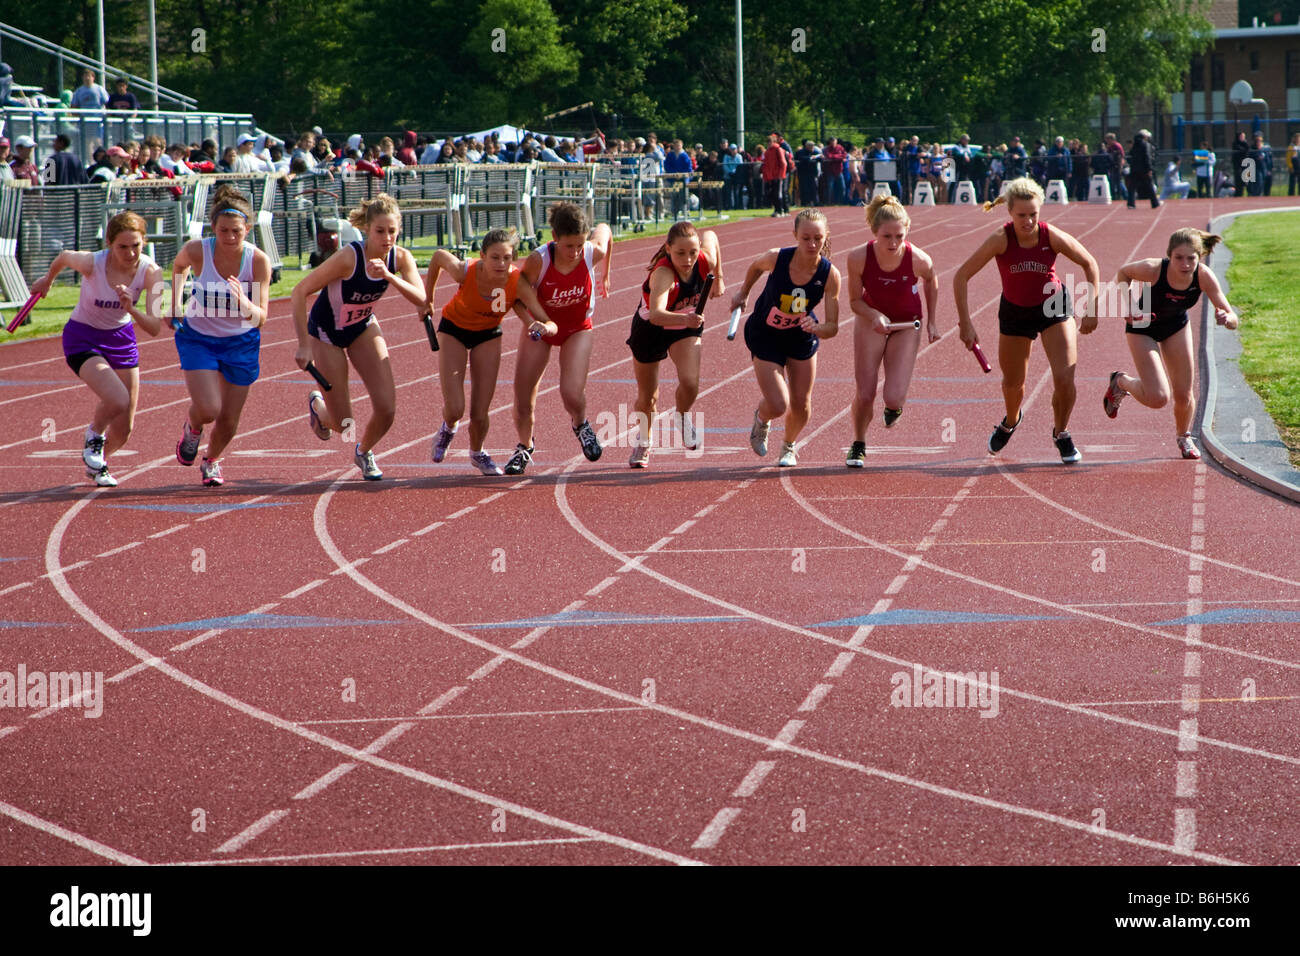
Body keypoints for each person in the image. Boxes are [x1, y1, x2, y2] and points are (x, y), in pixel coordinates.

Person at [954, 178, 1099, 464]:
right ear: (1010, 212)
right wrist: (965, 323)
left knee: (1065, 377)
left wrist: (1091, 307)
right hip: (1015, 311)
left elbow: (1089, 263)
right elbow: (961, 276)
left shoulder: (1050, 235)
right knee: (1013, 384)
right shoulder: (1001, 238)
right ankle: (1011, 420)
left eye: (1033, 214)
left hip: (1053, 305)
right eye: (1022, 215)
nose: (1029, 221)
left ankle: (1062, 433)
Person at [291, 194, 427, 480]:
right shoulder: (349, 257)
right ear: (367, 229)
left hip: (362, 327)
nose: (387, 237)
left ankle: (364, 451)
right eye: (380, 231)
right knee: (343, 423)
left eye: (392, 231)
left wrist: (390, 276)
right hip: (327, 333)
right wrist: (304, 345)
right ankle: (319, 407)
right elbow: (300, 291)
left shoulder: (400, 258)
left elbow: (421, 297)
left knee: (387, 408)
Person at [26, 212, 164, 486]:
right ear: (110, 244)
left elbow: (155, 327)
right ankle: (94, 437)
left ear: (144, 242)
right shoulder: (93, 263)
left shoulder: (152, 272)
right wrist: (48, 280)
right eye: (122, 246)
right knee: (117, 399)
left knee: (124, 429)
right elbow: (64, 255)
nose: (130, 252)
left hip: (122, 338)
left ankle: (97, 463)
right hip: (83, 337)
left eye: (136, 245)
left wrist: (131, 308)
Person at [424, 229, 557, 475]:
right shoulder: (466, 270)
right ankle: (448, 428)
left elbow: (550, 322)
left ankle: (477, 453)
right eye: (495, 257)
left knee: (479, 411)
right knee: (455, 408)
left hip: (488, 334)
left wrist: (543, 327)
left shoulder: (517, 282)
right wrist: (428, 299)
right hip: (454, 329)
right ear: (483, 255)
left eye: (507, 257)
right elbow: (438, 257)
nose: (501, 263)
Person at [1103, 229, 1240, 460]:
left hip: (1175, 326)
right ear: (1169, 255)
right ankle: (1121, 381)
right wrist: (1128, 305)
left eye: (1191, 258)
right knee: (1158, 398)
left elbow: (1233, 318)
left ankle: (1184, 437)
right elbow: (1124, 273)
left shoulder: (1203, 276)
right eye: (1179, 258)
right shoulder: (1154, 269)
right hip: (1142, 327)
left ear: (1199, 257)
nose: (1185, 264)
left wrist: (1227, 319)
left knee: (1184, 393)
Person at [169, 185, 273, 487]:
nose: (229, 238)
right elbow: (178, 266)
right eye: (223, 230)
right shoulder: (198, 250)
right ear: (213, 227)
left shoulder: (257, 261)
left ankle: (212, 460)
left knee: (228, 419)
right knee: (209, 409)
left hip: (240, 342)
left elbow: (261, 318)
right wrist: (172, 304)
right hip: (198, 338)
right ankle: (193, 427)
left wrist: (244, 302)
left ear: (248, 229)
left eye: (236, 232)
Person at [505, 202, 613, 475]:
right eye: (569, 246)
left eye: (579, 244)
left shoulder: (591, 252)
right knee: (523, 398)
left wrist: (606, 274)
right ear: (554, 238)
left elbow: (606, 230)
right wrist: (532, 323)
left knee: (572, 394)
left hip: (577, 328)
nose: (575, 252)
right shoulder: (538, 261)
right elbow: (516, 296)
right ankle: (524, 446)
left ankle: (580, 423)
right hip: (541, 330)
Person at [730, 208, 841, 467]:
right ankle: (762, 419)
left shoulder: (829, 275)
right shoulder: (777, 259)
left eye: (818, 238)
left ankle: (789, 446)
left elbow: (833, 327)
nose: (812, 244)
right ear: (795, 235)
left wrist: (817, 327)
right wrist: (743, 293)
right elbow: (755, 266)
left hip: (800, 337)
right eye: (805, 238)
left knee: (801, 403)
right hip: (765, 335)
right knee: (779, 404)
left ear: (826, 237)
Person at [844, 195, 940, 467]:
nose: (894, 242)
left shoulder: (919, 258)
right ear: (875, 233)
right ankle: (859, 442)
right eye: (887, 236)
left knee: (894, 395)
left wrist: (932, 321)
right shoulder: (858, 257)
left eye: (899, 235)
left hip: (907, 324)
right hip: (871, 321)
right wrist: (874, 315)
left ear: (907, 230)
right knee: (865, 393)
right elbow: (854, 301)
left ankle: (894, 407)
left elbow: (932, 280)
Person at [624, 221, 725, 468]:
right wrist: (686, 318)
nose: (688, 259)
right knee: (648, 398)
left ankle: (681, 416)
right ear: (668, 248)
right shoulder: (664, 274)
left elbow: (711, 234)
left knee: (690, 383)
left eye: (692, 252)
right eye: (680, 253)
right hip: (651, 329)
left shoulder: (704, 260)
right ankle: (644, 440)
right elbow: (657, 313)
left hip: (684, 327)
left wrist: (719, 277)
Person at [1126, 129, 1160, 208]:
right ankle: (1155, 203)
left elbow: (1131, 155)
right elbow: (1147, 157)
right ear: (1144, 137)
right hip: (1144, 169)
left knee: (1132, 187)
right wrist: (1149, 169)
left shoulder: (1135, 144)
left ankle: (1131, 203)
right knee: (1149, 186)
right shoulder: (1146, 144)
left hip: (1134, 169)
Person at [762, 132, 790, 216]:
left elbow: (783, 163)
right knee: (772, 193)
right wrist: (766, 176)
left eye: (770, 142)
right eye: (768, 142)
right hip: (771, 176)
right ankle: (777, 209)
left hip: (778, 176)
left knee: (778, 193)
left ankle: (781, 210)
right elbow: (766, 165)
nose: (768, 143)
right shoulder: (767, 152)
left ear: (774, 142)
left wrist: (781, 175)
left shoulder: (778, 149)